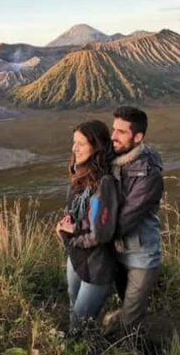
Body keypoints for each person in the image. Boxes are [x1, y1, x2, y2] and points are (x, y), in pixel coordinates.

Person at [56, 120, 120, 330]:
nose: (74, 149)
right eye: (74, 142)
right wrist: (64, 226)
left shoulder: (104, 184)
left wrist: (72, 231)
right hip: (75, 256)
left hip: (97, 266)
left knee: (79, 326)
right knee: (74, 310)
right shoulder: (78, 177)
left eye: (81, 144)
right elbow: (74, 214)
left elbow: (101, 233)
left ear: (96, 147)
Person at [109, 106, 164, 330]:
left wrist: (88, 235)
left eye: (121, 132)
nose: (113, 136)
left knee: (129, 322)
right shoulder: (113, 158)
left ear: (138, 137)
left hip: (141, 257)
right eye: (113, 129)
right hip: (118, 252)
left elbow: (125, 219)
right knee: (125, 304)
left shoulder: (149, 173)